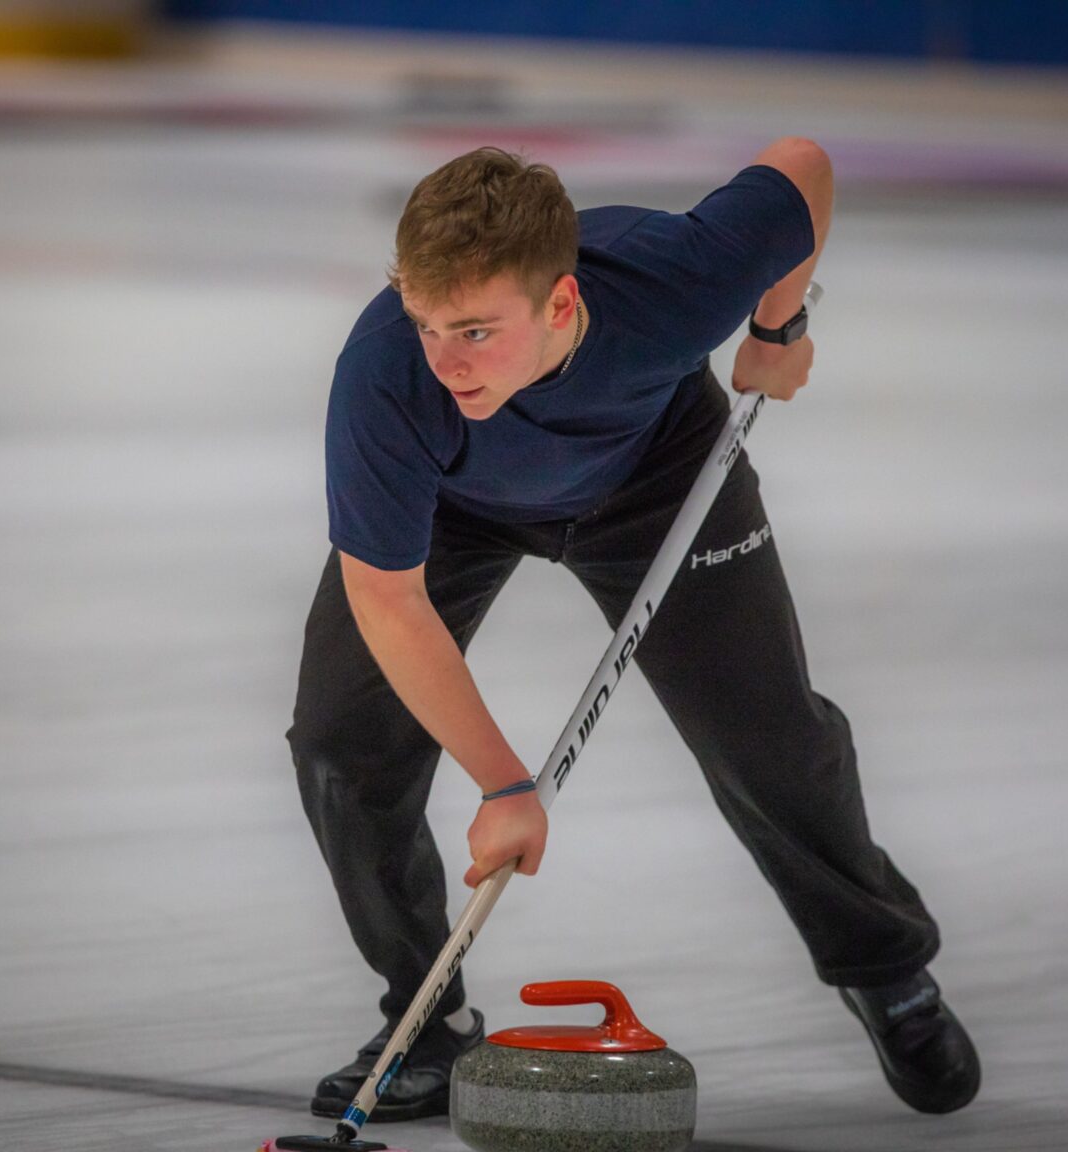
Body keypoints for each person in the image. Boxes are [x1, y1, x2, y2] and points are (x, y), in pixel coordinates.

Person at [287, 141, 979, 1120]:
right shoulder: (389, 379)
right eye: (427, 323)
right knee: (340, 747)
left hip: (653, 476)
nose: (445, 361)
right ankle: (425, 1018)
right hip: (455, 506)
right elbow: (388, 601)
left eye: (478, 332)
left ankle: (884, 965)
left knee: (769, 742)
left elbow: (802, 170)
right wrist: (504, 781)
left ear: (561, 307)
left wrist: (780, 323)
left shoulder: (672, 281)